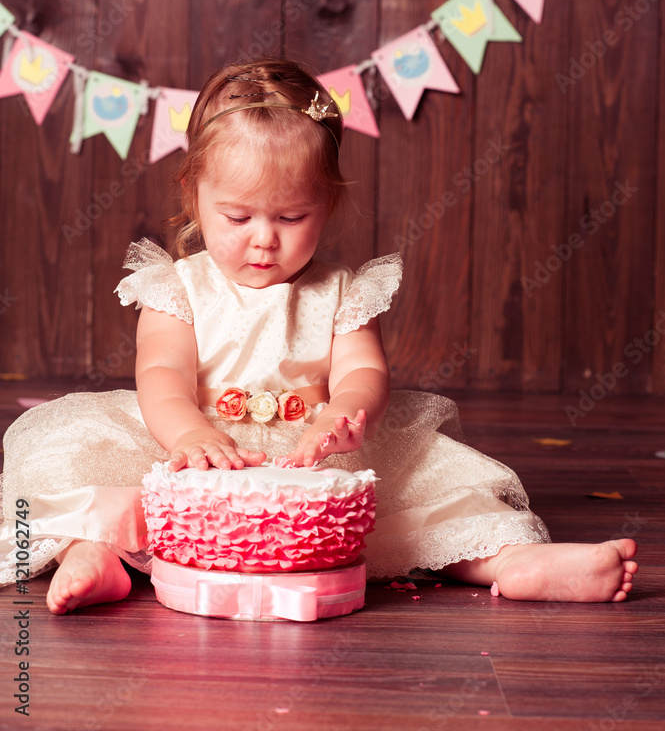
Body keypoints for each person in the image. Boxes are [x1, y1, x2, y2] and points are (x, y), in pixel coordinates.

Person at [0, 59, 637, 613]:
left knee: (424, 506)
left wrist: (346, 416)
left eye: (291, 216)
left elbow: (364, 371)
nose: (264, 238)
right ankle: (96, 557)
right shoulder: (175, 287)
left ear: (326, 206)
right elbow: (161, 376)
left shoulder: (342, 291)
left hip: (317, 454)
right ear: (195, 197)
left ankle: (507, 563)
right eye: (238, 216)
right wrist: (190, 433)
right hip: (197, 447)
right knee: (84, 472)